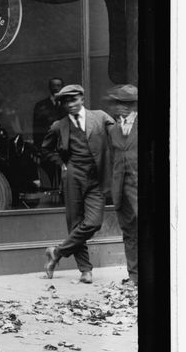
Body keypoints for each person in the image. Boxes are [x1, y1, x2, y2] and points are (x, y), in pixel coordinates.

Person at [40, 84, 115, 284]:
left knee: (93, 223)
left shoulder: (100, 116)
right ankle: (85, 270)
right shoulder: (59, 126)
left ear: (82, 98)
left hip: (96, 177)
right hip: (73, 176)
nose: (71, 105)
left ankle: (56, 252)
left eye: (74, 100)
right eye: (66, 102)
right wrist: (62, 164)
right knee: (75, 223)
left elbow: (117, 134)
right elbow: (45, 150)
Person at [105, 84, 138, 286]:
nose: (123, 107)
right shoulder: (114, 130)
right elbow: (112, 159)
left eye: (128, 104)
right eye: (119, 103)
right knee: (129, 232)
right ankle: (134, 276)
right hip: (120, 190)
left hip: (141, 189)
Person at [32, 77, 66, 146]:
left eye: (58, 85)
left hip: (64, 144)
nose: (56, 88)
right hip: (47, 144)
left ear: (62, 87)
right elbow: (36, 128)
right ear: (49, 87)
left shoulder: (67, 105)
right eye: (53, 86)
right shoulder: (40, 105)